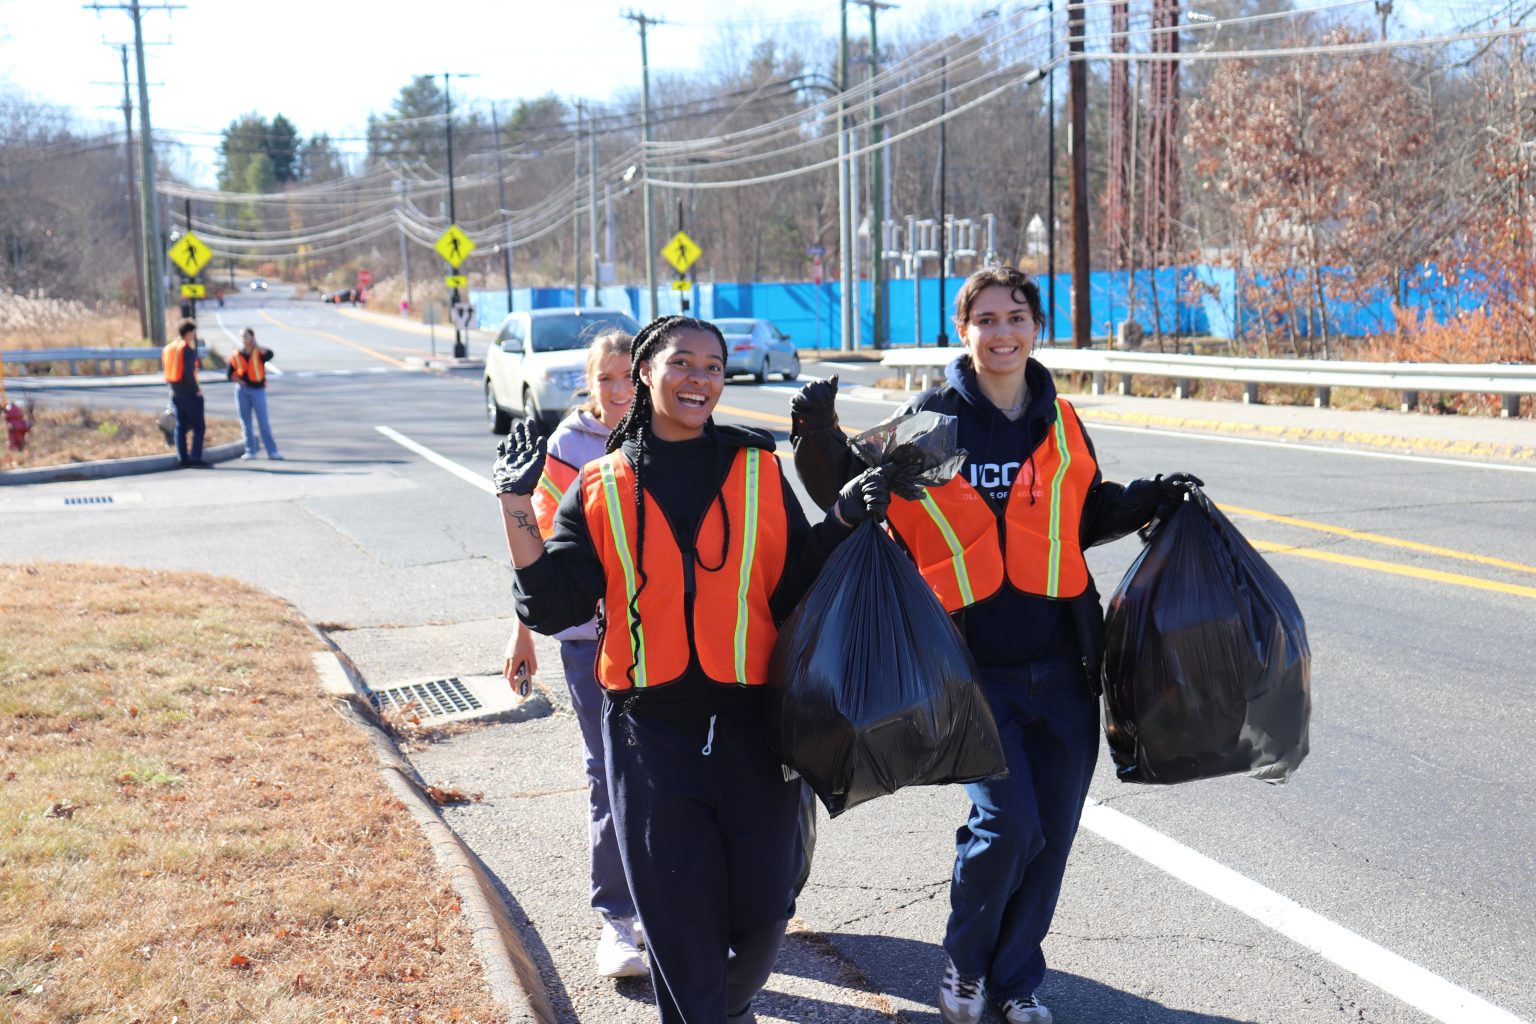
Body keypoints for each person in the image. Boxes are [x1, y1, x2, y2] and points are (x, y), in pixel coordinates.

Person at [790, 265, 1201, 1024]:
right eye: (986, 319)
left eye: (1016, 317)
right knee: (1008, 826)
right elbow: (849, 488)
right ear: (963, 330)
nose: (1002, 332)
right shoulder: (931, 418)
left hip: (1066, 667)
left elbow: (1080, 515)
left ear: (1036, 328)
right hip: (973, 671)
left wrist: (1148, 500)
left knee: (1051, 836)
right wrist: (817, 432)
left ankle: (1015, 982)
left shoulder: (1061, 419)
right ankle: (966, 965)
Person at [493, 315, 889, 1024]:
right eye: (682, 362)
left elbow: (792, 584)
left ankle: (720, 1010)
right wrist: (516, 507)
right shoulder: (599, 484)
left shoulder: (756, 470)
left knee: (764, 915)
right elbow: (553, 605)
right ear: (646, 371)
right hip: (649, 738)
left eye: (713, 366)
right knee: (679, 930)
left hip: (753, 731)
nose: (698, 378)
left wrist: (842, 517)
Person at [501, 329, 647, 979]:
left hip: (661, 634)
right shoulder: (568, 446)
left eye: (628, 377)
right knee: (608, 772)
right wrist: (522, 631)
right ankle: (616, 920)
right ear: (589, 382)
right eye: (605, 378)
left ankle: (669, 905)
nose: (618, 391)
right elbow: (538, 548)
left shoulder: (667, 434)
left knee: (667, 771)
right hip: (590, 638)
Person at [228, 328, 283, 461]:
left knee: (263, 422)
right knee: (245, 422)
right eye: (241, 337)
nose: (243, 339)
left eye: (246, 336)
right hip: (242, 391)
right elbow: (229, 374)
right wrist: (240, 381)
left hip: (258, 391)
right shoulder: (236, 354)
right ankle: (250, 451)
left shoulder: (258, 352)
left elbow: (270, 354)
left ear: (252, 338)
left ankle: (272, 451)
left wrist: (256, 346)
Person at [162, 318, 208, 468]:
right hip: (189, 393)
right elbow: (188, 374)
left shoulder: (170, 348)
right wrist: (197, 390)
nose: (194, 335)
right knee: (199, 426)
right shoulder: (187, 349)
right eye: (193, 332)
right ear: (188, 333)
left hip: (175, 391)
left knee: (180, 426)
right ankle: (195, 456)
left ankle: (183, 458)